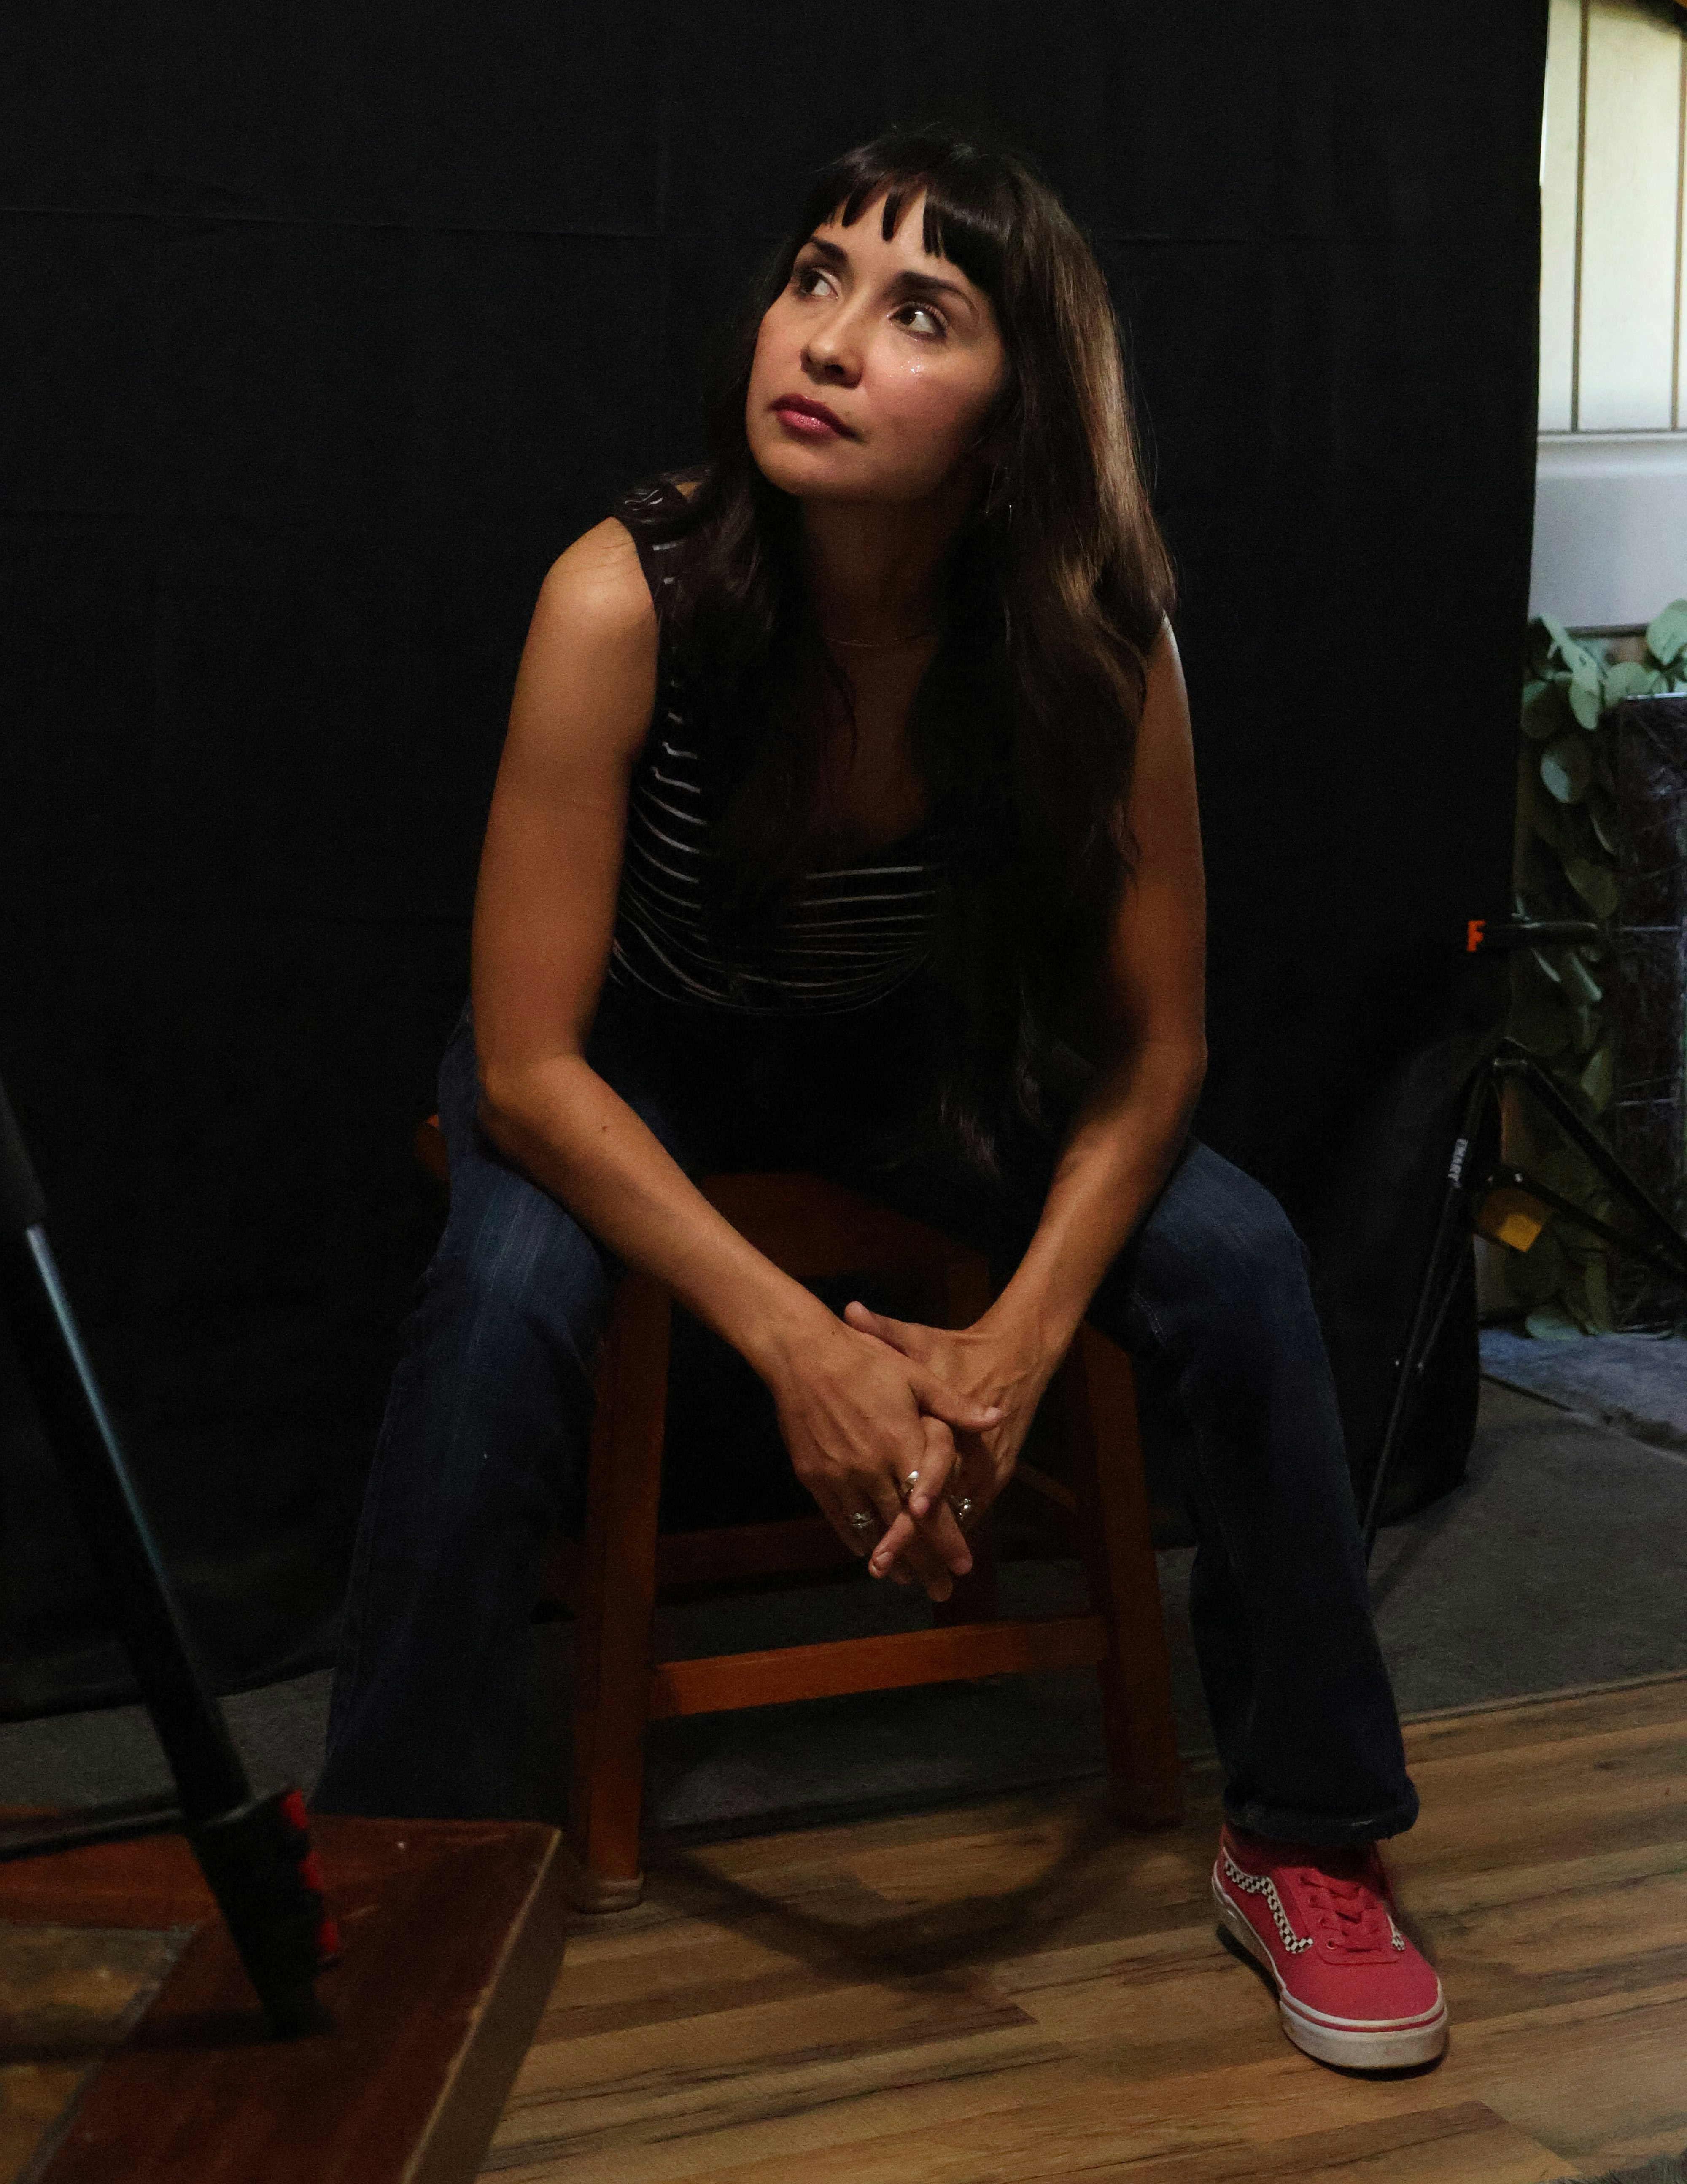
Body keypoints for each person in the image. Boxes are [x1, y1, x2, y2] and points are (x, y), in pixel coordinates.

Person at [315, 128, 1447, 2074]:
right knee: (502, 1302)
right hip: (623, 1062)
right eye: (815, 277)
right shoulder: (624, 595)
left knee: (1246, 1262)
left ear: (1015, 427)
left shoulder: (1098, 641)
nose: (825, 339)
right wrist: (800, 1354)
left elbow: (1157, 1051)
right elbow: (524, 1070)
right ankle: (388, 1856)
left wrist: (1006, 1349)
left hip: (912, 1057)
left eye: (915, 311)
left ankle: (1307, 1832)